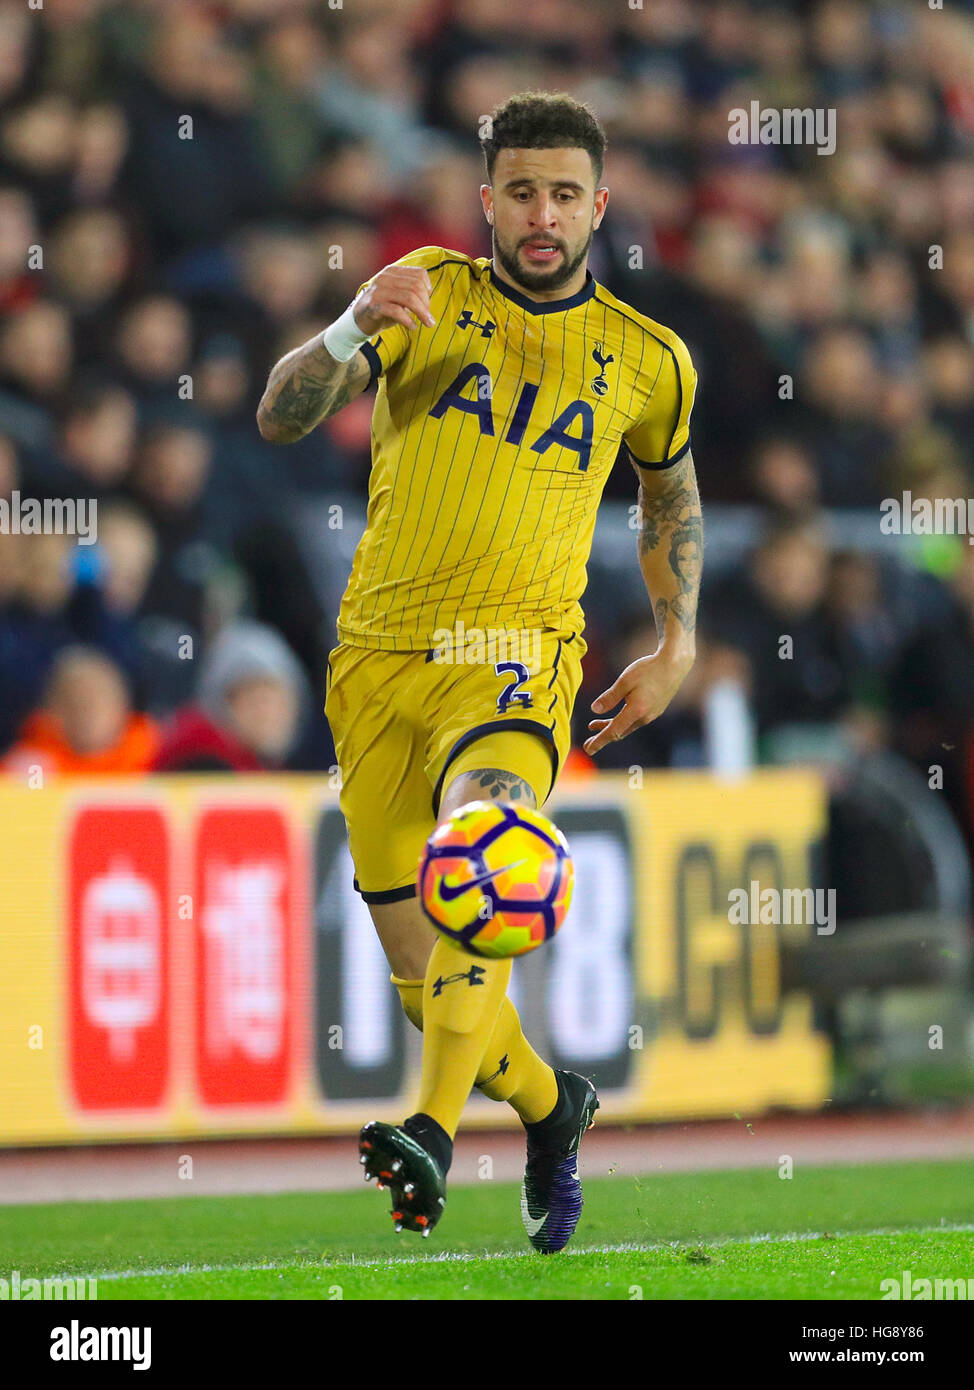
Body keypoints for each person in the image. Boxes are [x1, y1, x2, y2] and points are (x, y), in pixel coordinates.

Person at [257, 92, 703, 1252]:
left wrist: (676, 637)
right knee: (422, 973)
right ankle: (553, 1106)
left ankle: (432, 1131)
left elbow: (669, 494)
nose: (541, 214)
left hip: (515, 659)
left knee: (487, 849)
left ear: (598, 205)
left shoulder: (648, 361)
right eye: (520, 191)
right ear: (485, 200)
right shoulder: (421, 291)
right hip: (375, 664)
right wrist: (349, 327)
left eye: (563, 193)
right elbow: (278, 416)